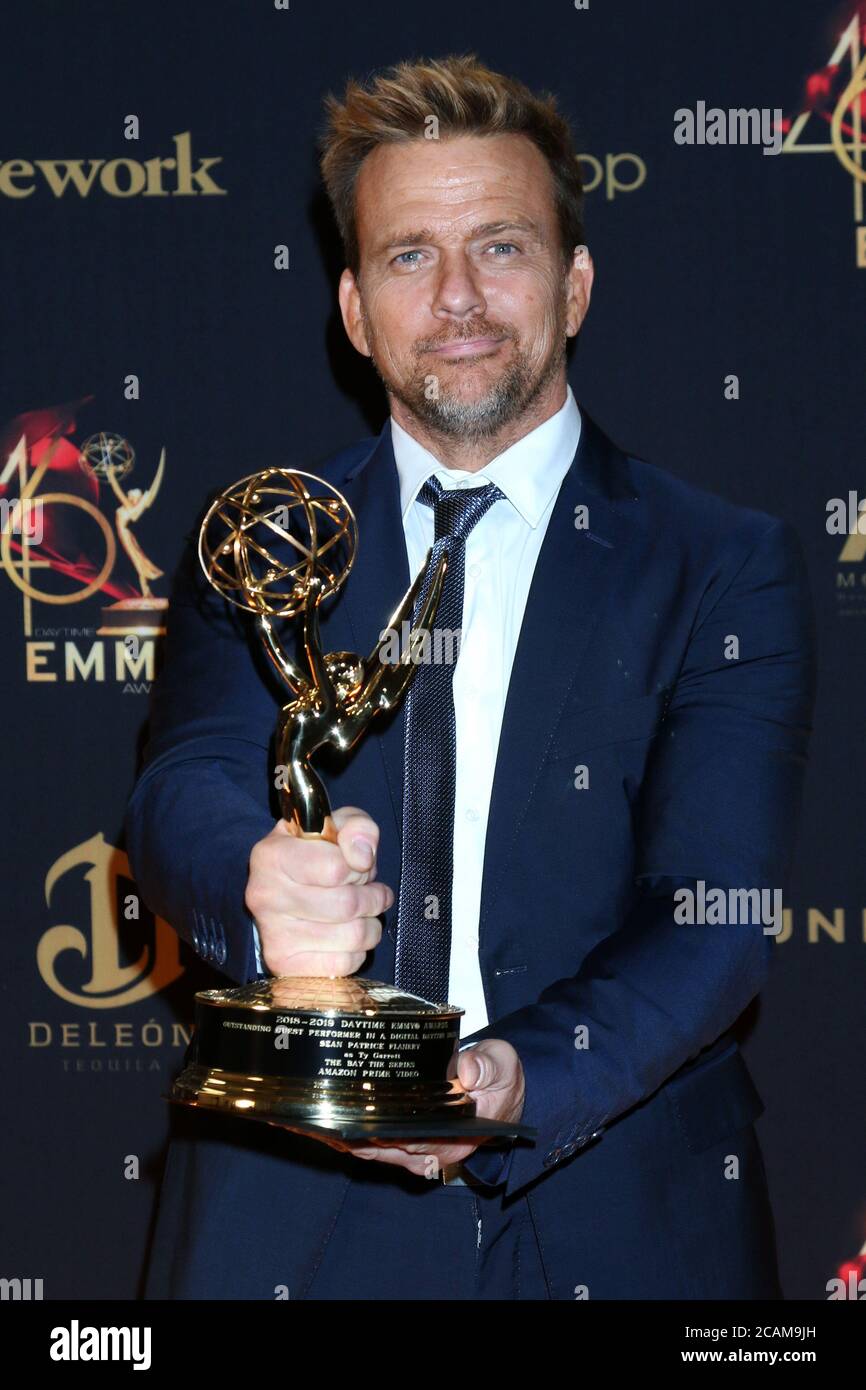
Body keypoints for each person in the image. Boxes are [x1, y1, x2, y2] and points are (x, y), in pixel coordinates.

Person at [126, 54, 816, 1300]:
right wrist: (253, 879)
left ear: (574, 284)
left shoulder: (721, 562)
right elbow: (184, 781)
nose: (455, 297)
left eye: (498, 246)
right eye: (407, 256)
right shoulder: (268, 536)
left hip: (618, 1199)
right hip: (289, 1207)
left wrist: (514, 1076)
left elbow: (711, 913)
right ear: (351, 308)